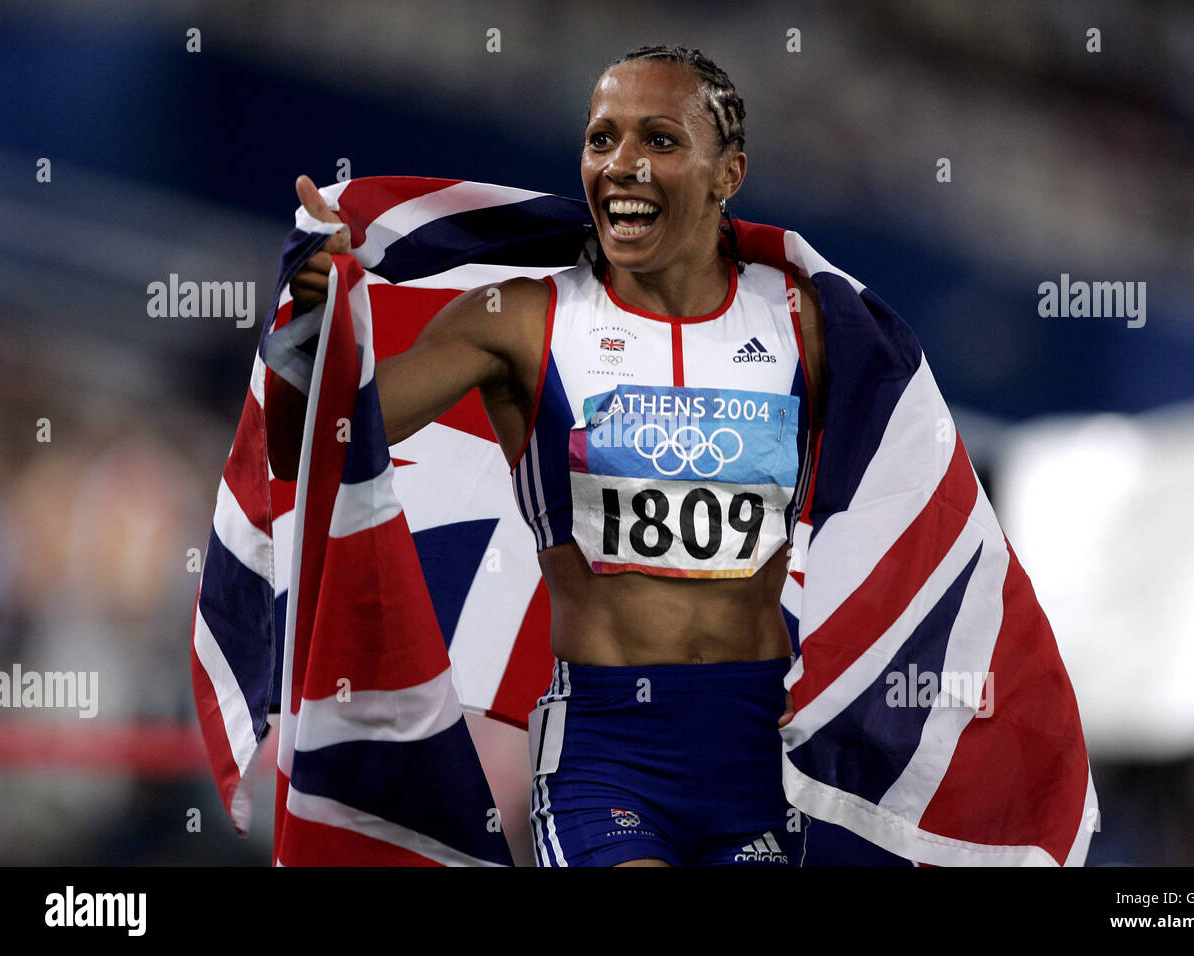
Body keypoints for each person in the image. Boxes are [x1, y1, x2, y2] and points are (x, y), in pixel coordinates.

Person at [269, 45, 826, 867]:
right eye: (602, 140)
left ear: (727, 175)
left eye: (661, 141)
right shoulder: (520, 320)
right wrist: (310, 326)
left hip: (766, 759)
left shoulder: (804, 321)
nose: (623, 165)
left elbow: (898, 492)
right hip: (609, 762)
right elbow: (311, 448)